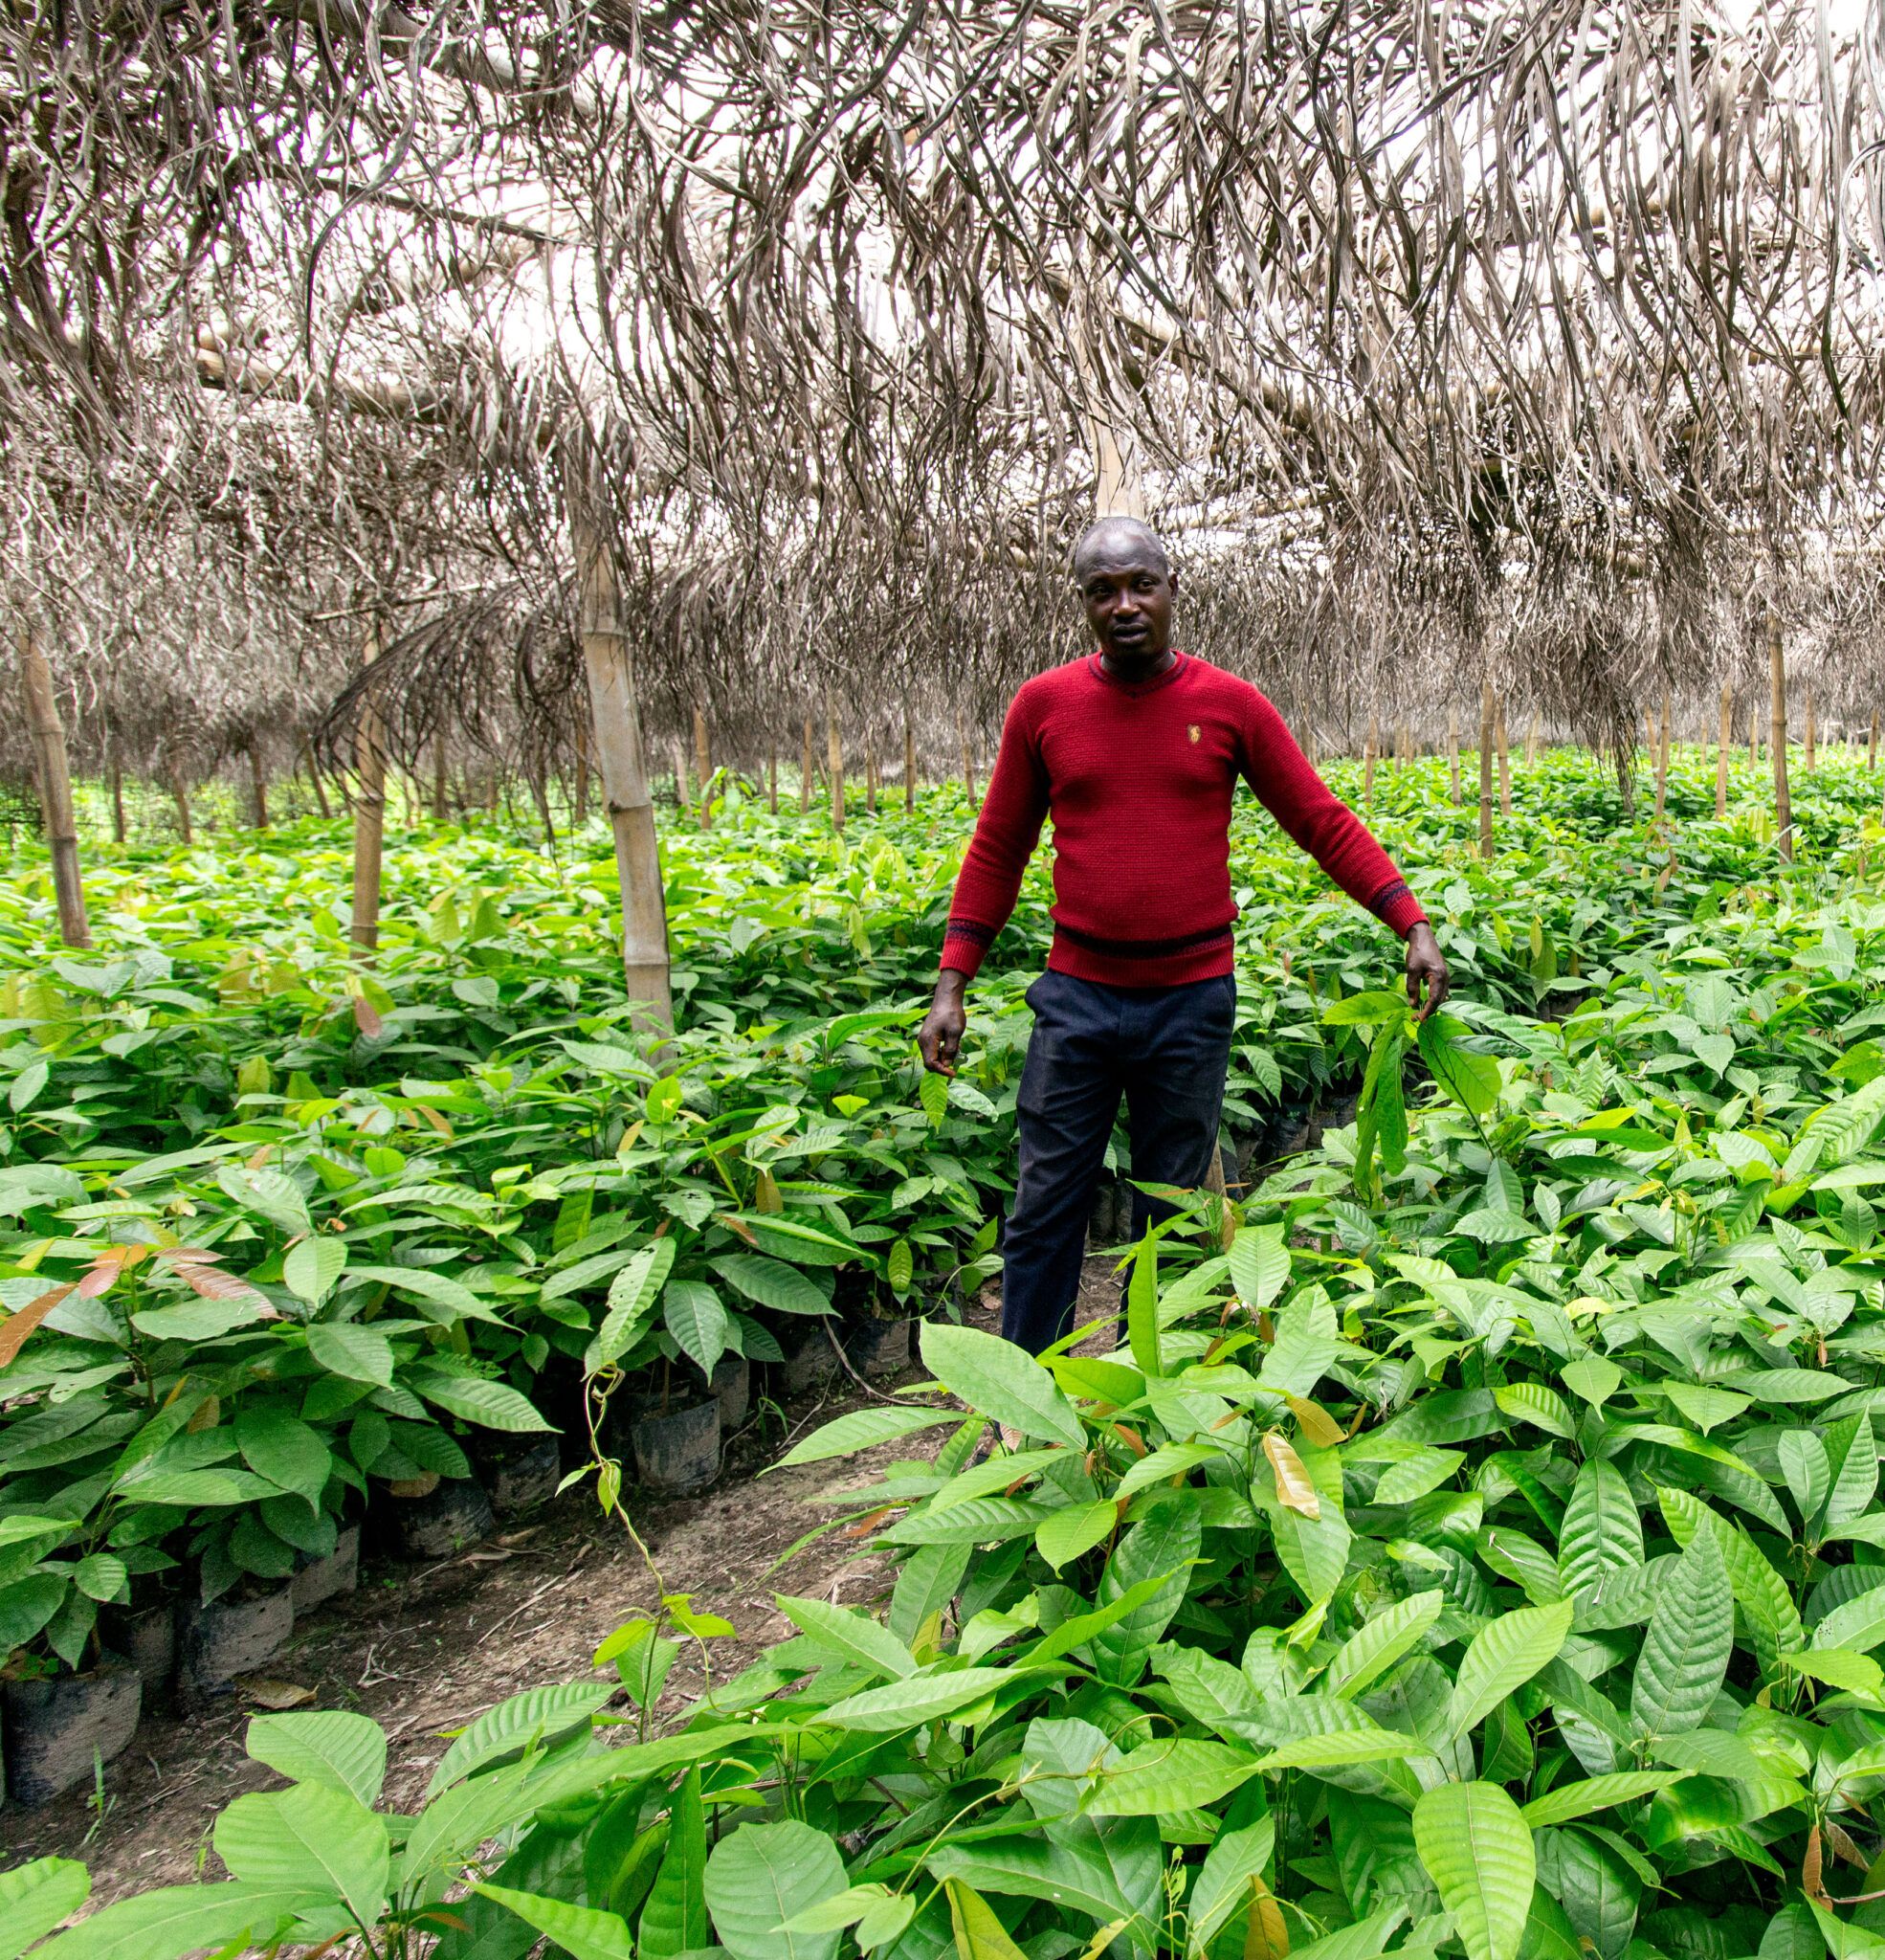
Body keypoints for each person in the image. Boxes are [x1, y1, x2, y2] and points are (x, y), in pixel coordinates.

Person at [917, 516, 1450, 1358]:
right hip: (1077, 999)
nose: (1124, 604)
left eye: (1141, 585)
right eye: (1103, 591)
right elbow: (998, 845)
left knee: (1167, 1206)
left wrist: (1407, 919)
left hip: (1190, 1001)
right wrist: (953, 982)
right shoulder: (1044, 706)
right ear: (1084, 604)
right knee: (1046, 1200)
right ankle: (1026, 1391)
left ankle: (1145, 1382)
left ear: (1171, 590)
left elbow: (1319, 819)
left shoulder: (1230, 705)